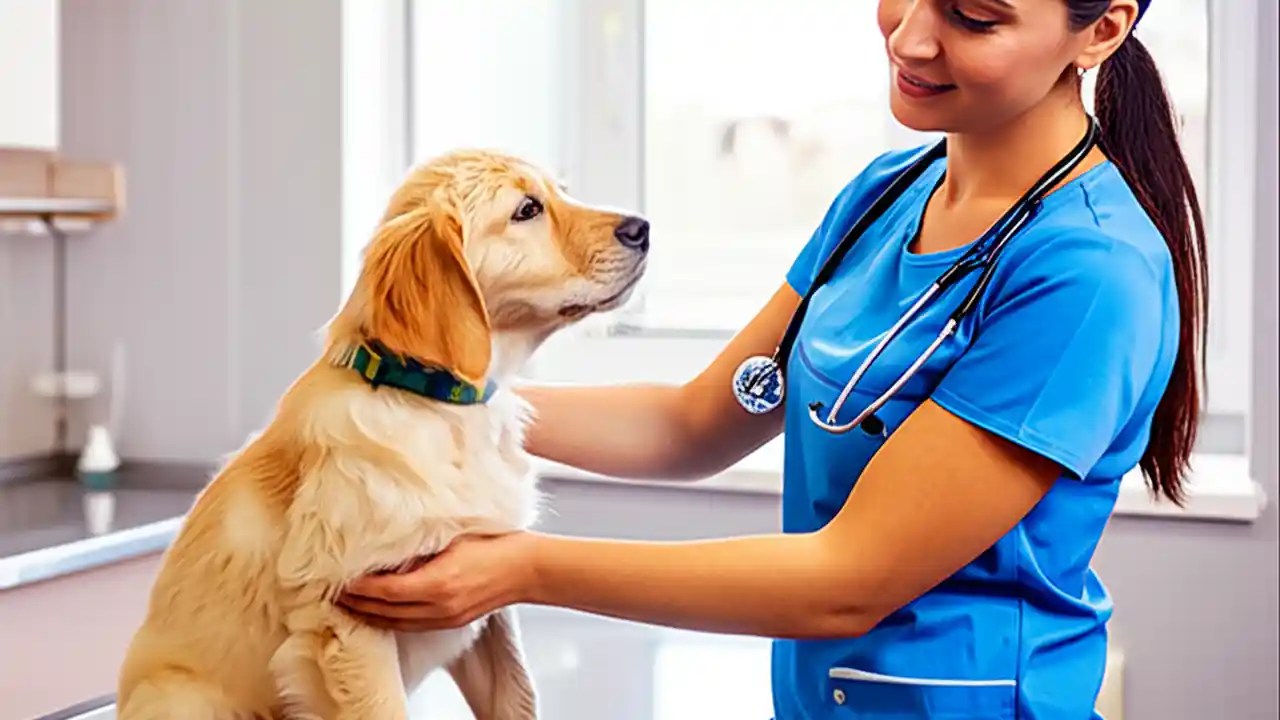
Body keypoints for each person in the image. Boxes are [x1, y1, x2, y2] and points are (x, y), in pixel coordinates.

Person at [340, 0, 1208, 717]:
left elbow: (850, 580)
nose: (909, 36)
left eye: (974, 17)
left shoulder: (1089, 274)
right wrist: (421, 397)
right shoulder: (888, 194)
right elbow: (690, 425)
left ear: (1100, 31)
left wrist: (518, 570)